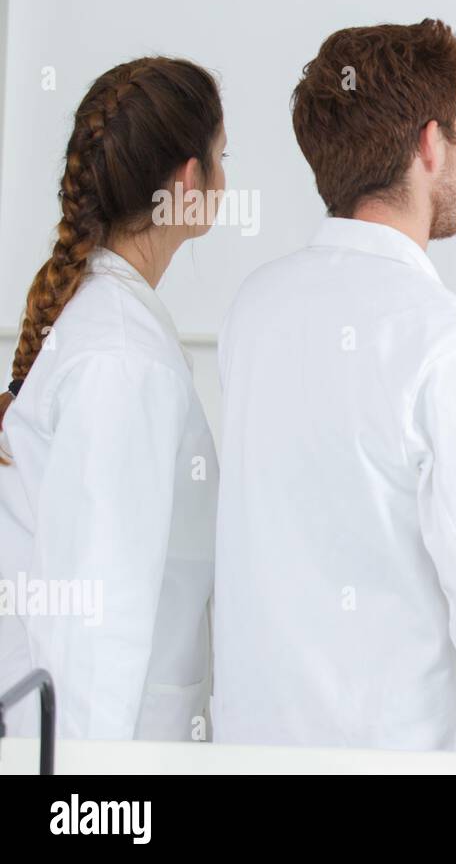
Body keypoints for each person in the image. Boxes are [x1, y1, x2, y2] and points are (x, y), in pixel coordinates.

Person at [212, 20, 456, 754]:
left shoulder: (255, 308)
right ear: (431, 144)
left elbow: (330, 512)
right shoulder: (448, 340)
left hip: (254, 748)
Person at [0, 57, 226, 740]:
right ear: (188, 181)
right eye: (222, 157)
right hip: (100, 769)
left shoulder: (110, 327)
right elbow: (93, 627)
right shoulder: (123, 361)